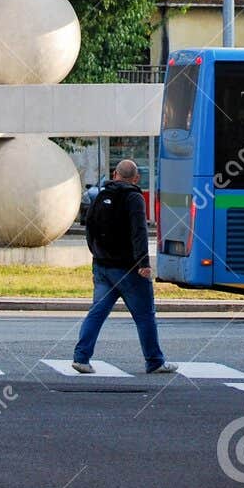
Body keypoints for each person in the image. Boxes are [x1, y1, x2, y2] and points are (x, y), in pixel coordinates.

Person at [72, 159, 176, 375]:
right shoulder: (134, 197)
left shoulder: (100, 196)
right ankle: (154, 361)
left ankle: (81, 357)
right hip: (129, 269)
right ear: (136, 178)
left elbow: (89, 226)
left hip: (102, 266)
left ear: (115, 174)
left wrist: (97, 254)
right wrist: (143, 264)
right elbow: (139, 232)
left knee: (97, 312)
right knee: (145, 315)